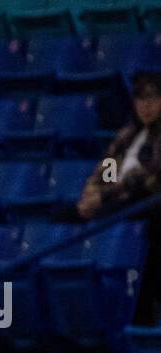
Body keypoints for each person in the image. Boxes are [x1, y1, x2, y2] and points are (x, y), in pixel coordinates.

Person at [55, 71, 161, 325]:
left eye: (153, 98)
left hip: (144, 203)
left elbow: (145, 178)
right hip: (113, 200)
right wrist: (91, 193)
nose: (145, 105)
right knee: (61, 213)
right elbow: (107, 169)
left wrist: (102, 196)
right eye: (140, 99)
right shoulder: (127, 137)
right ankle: (70, 298)